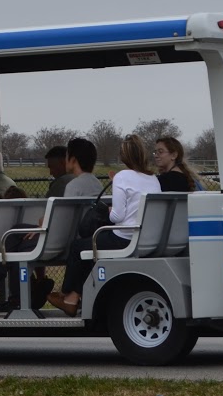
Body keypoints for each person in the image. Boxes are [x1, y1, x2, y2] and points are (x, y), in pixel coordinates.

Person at [48, 135, 159, 315]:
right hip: (145, 237)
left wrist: (108, 212)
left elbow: (117, 216)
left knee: (78, 247)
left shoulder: (122, 176)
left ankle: (68, 296)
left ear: (123, 156)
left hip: (124, 237)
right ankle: (75, 296)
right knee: (90, 246)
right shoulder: (152, 179)